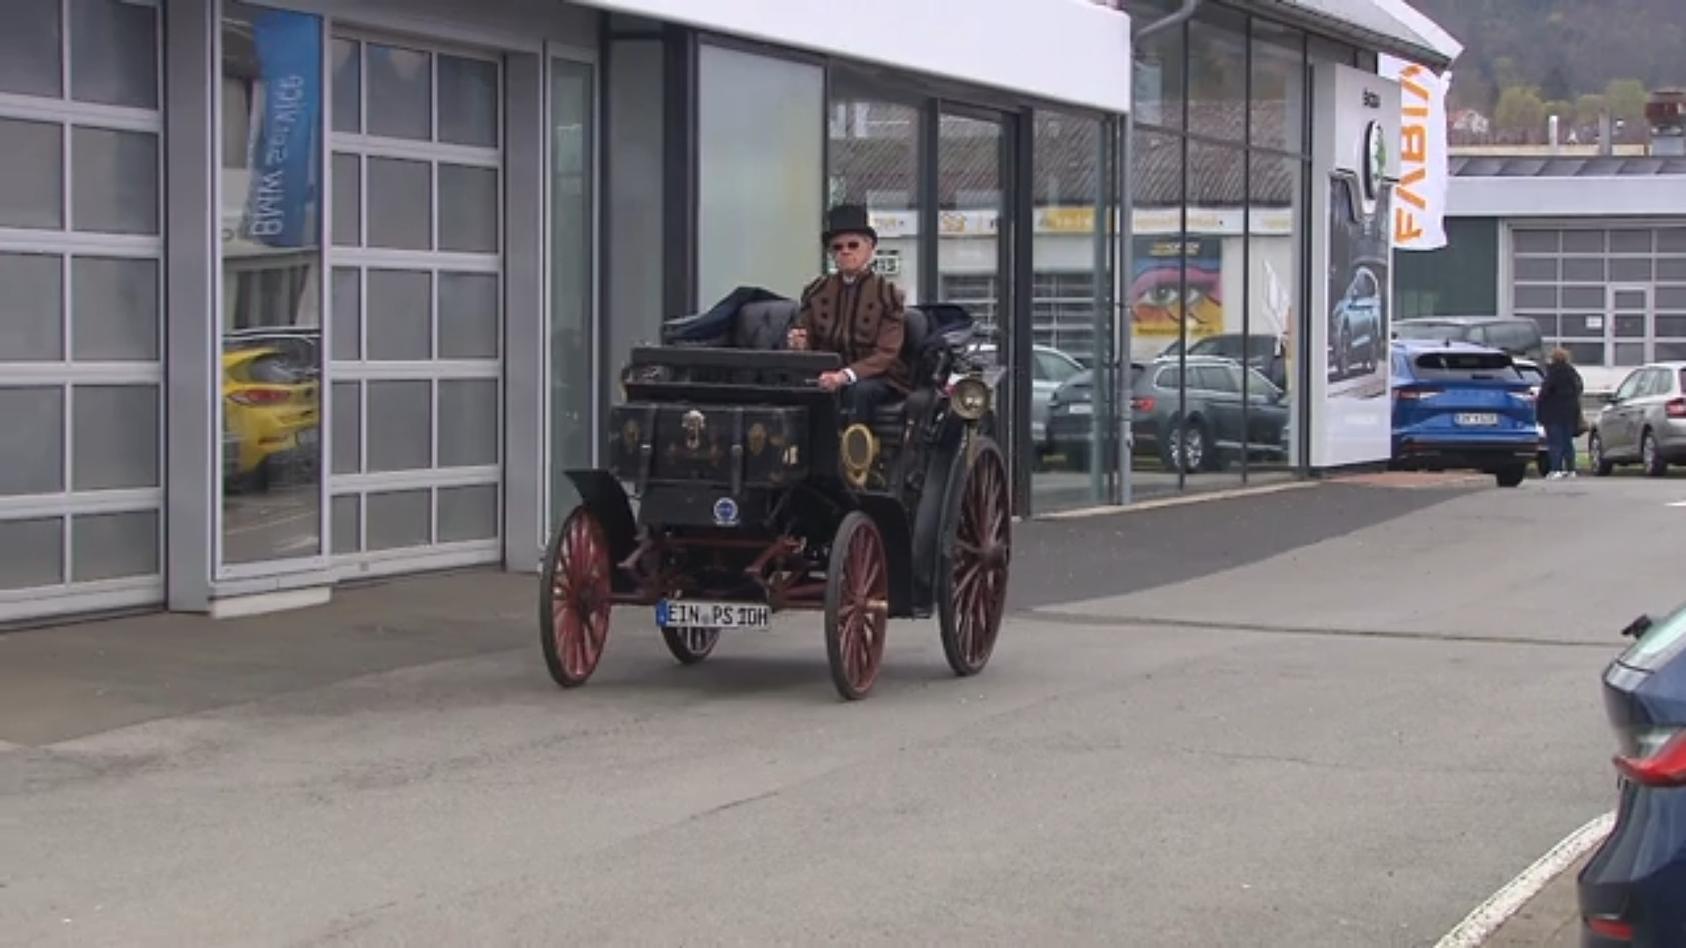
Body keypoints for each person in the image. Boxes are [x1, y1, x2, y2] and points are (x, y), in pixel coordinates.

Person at [786, 204, 910, 424]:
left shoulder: (888, 294)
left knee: (859, 392)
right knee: (798, 388)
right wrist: (799, 344)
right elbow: (807, 337)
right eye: (837, 247)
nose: (845, 251)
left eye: (853, 245)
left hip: (877, 377)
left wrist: (846, 376)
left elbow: (886, 353)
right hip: (826, 374)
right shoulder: (816, 292)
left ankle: (856, 446)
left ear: (870, 248)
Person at [1536, 347, 1584, 479]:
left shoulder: (1553, 373)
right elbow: (1579, 388)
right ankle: (1571, 469)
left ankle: (1556, 469)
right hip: (1570, 412)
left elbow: (1545, 392)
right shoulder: (1572, 373)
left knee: (1555, 442)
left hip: (1553, 412)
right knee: (1567, 442)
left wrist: (1540, 406)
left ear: (1553, 358)